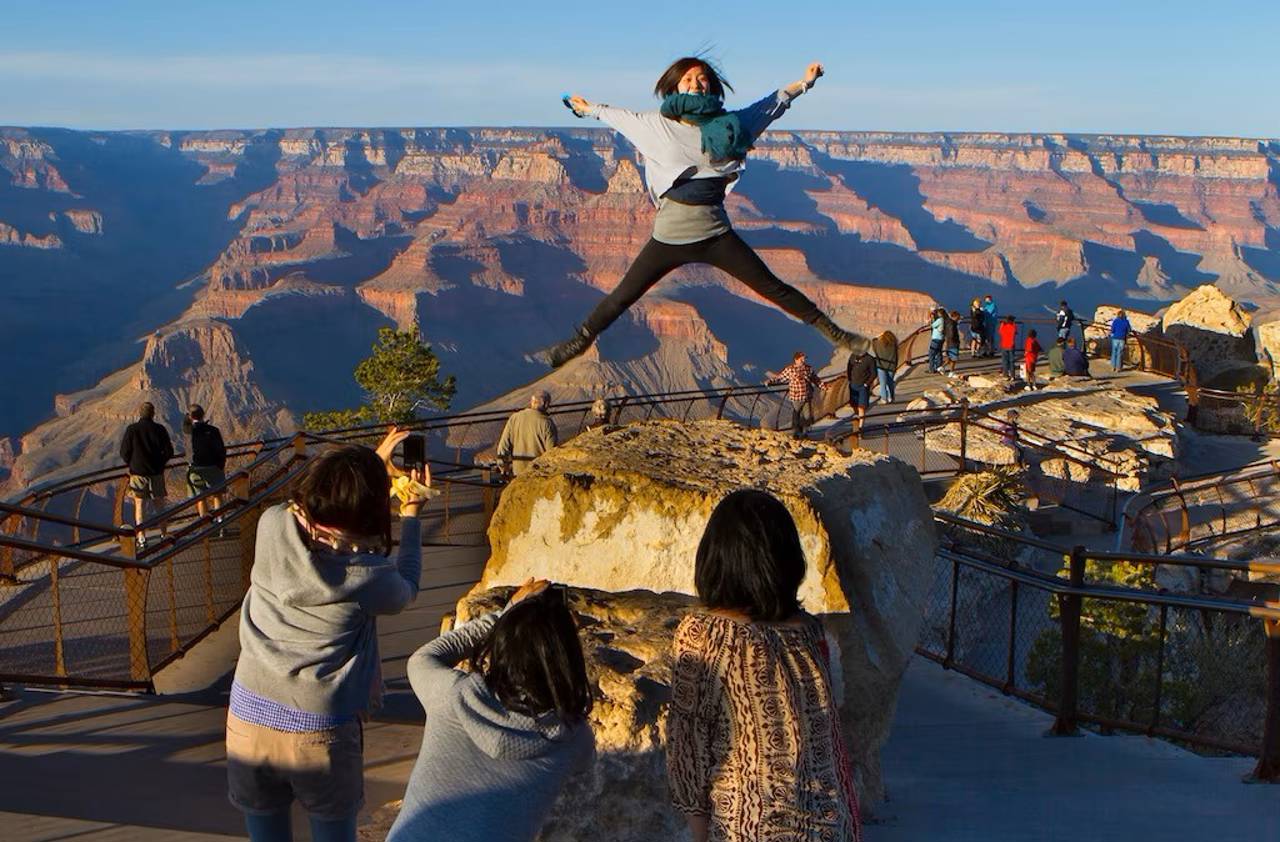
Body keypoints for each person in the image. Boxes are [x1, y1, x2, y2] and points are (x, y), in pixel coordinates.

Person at [546, 58, 865, 367]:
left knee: (773, 287)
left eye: (701, 79)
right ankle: (580, 340)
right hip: (668, 238)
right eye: (687, 79)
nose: (695, 84)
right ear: (675, 88)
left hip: (715, 234)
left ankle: (836, 334)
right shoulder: (655, 126)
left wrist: (806, 82)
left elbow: (772, 104)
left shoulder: (732, 127)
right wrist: (585, 109)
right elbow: (614, 115)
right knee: (622, 297)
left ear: (711, 86)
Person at [226, 429, 431, 842]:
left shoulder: (272, 528)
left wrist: (366, 467)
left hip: (248, 712)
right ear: (368, 512)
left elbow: (303, 510)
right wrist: (409, 514)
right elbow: (406, 585)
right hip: (320, 727)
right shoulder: (370, 577)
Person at [667, 489, 861, 842]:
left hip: (749, 830)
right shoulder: (813, 634)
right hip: (832, 827)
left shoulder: (703, 636)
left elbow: (688, 755)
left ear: (715, 559)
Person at [386, 579, 595, 842]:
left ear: (501, 648)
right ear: (568, 658)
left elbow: (424, 658)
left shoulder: (452, 696)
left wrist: (505, 614)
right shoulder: (574, 739)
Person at [119, 401, 174, 547]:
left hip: (137, 473)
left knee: (139, 506)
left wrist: (132, 464)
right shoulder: (160, 429)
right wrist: (160, 463)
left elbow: (124, 452)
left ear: (139, 413)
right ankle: (164, 534)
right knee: (160, 505)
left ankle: (142, 538)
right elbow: (169, 452)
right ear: (153, 414)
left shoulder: (132, 429)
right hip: (156, 473)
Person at [766, 351, 828, 438]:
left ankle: (805, 432)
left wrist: (824, 386)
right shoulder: (790, 369)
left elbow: (815, 379)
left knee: (807, 415)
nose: (803, 361)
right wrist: (771, 381)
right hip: (796, 396)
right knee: (796, 414)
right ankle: (796, 432)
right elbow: (780, 378)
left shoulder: (808, 369)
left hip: (807, 395)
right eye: (801, 359)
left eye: (804, 359)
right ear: (796, 360)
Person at [495, 391, 559, 476]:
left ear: (532, 402)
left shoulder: (514, 418)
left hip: (517, 473)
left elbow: (503, 448)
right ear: (546, 404)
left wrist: (503, 468)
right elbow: (551, 454)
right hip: (538, 475)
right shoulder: (547, 424)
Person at [183, 404, 227, 520]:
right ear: (203, 415)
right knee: (217, 494)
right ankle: (220, 521)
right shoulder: (213, 430)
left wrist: (187, 417)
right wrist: (220, 465)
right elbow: (221, 450)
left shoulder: (189, 432)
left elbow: (185, 425)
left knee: (200, 497)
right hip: (213, 466)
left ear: (191, 417)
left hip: (194, 468)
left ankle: (205, 524)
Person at [845, 346, 876, 432]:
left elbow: (873, 373)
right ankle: (857, 421)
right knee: (854, 406)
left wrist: (866, 384)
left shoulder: (870, 359)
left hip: (863, 387)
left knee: (861, 407)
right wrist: (850, 380)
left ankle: (860, 427)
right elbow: (849, 368)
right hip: (853, 385)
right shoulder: (853, 356)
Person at [871, 330, 898, 404]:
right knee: (890, 383)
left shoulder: (878, 344)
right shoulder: (893, 344)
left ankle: (884, 399)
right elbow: (896, 355)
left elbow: (873, 341)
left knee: (882, 383)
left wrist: (878, 336)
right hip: (891, 366)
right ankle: (891, 397)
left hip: (881, 366)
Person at [997, 315, 1018, 381]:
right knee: (1012, 361)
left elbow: (999, 332)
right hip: (1011, 346)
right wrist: (1013, 324)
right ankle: (1012, 375)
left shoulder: (1003, 327)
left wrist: (1002, 324)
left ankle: (1005, 375)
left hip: (1004, 346)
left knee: (1005, 361)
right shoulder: (1013, 327)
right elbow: (1015, 331)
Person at [943, 309, 962, 377]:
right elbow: (952, 334)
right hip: (953, 343)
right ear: (955, 317)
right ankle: (951, 372)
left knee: (950, 357)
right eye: (958, 317)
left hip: (949, 343)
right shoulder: (952, 324)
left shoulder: (947, 322)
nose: (959, 319)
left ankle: (942, 367)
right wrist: (955, 341)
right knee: (954, 358)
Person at [927, 307, 945, 373]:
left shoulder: (940, 320)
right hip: (941, 338)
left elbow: (932, 325)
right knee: (939, 353)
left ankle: (931, 369)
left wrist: (931, 319)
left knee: (931, 354)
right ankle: (939, 367)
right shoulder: (944, 319)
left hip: (936, 338)